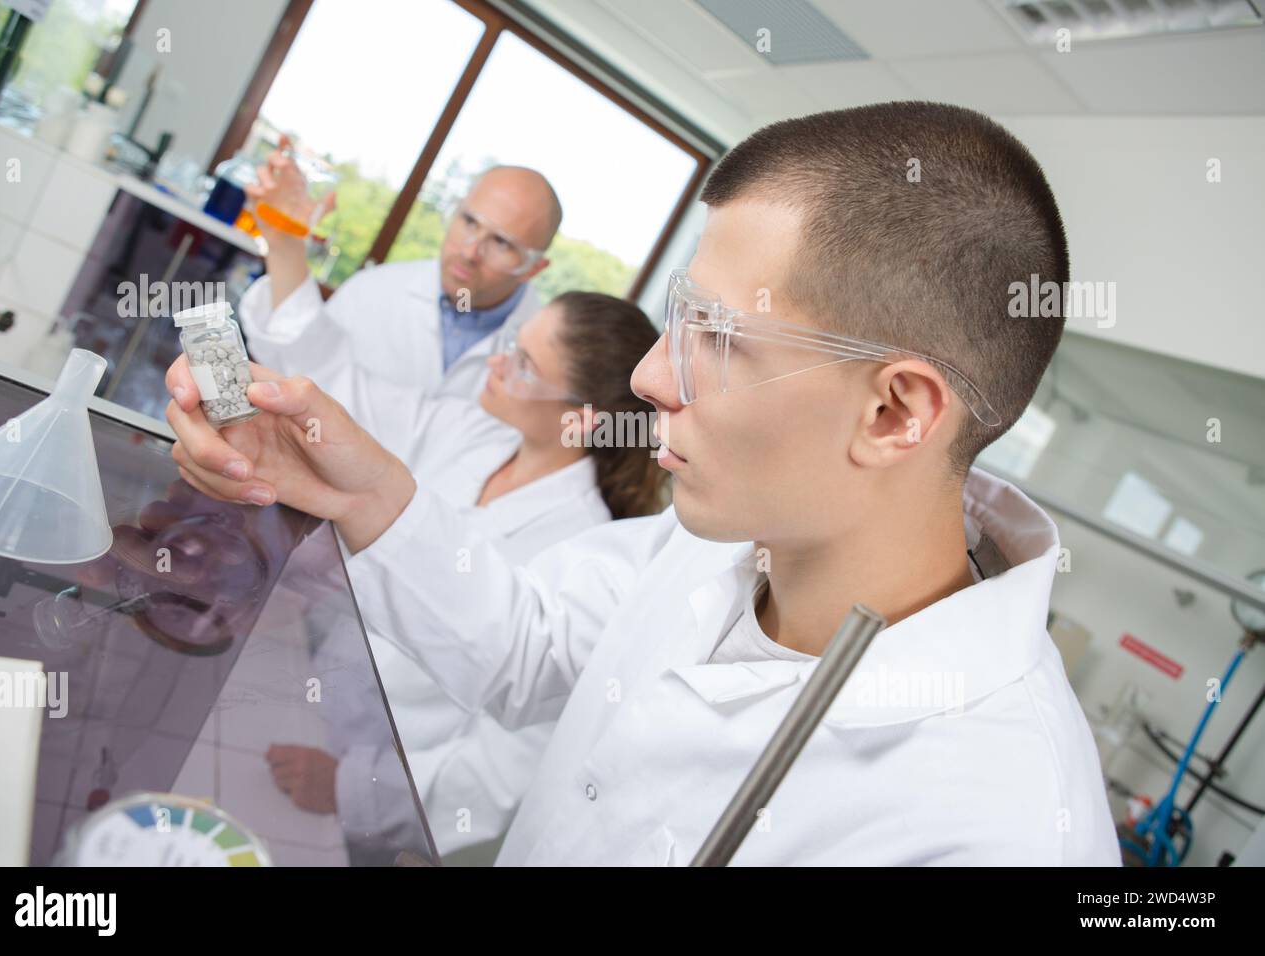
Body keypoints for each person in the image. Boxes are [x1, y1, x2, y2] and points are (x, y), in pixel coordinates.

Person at [165, 102, 1121, 866]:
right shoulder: (710, 546)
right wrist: (349, 491)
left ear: (894, 414)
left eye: (720, 338)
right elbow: (525, 649)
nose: (650, 379)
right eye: (676, 320)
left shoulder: (1009, 825)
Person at [173, 292, 665, 859]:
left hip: (358, 778)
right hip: (302, 686)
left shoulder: (585, 553)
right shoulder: (471, 434)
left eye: (524, 363)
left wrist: (351, 786)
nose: (496, 362)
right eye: (511, 343)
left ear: (581, 422)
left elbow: (500, 771)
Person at [238, 136, 562, 403]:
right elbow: (297, 366)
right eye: (468, 222)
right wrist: (285, 248)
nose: (470, 252)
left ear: (533, 269)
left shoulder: (547, 361)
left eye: (502, 243)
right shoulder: (374, 290)